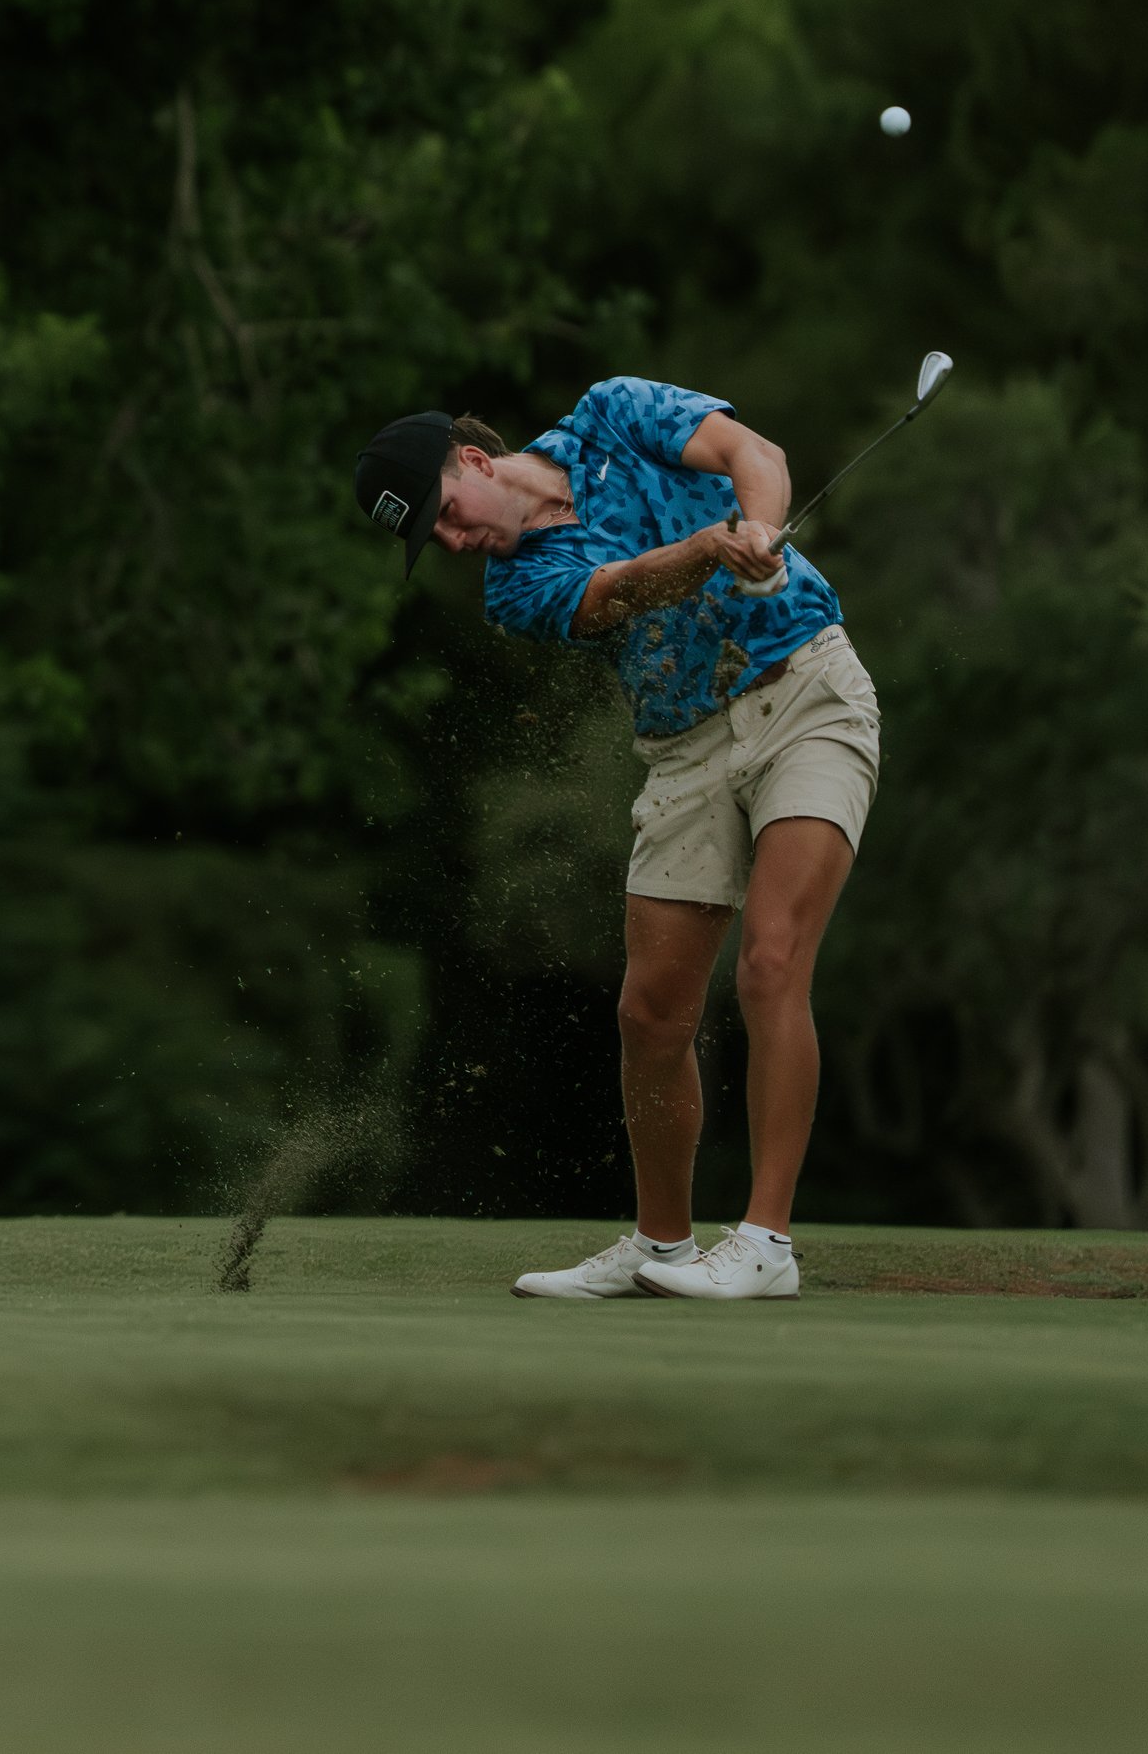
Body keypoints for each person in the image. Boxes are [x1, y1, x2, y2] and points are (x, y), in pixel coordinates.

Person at [352, 379, 879, 1300]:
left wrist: (756, 526)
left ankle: (766, 1244)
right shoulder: (515, 587)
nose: (447, 538)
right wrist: (712, 550)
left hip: (806, 696)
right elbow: (624, 587)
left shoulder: (614, 411)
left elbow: (758, 457)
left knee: (770, 963)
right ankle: (661, 1247)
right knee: (649, 1016)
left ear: (472, 460)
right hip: (683, 750)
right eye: (427, 536)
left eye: (442, 511)